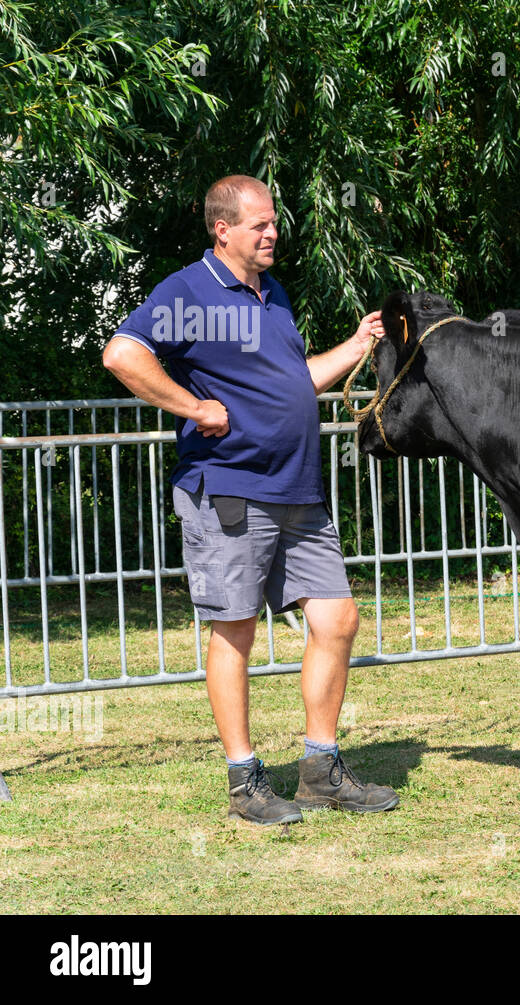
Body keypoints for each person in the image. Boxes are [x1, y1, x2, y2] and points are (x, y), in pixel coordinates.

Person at [103, 174, 398, 825]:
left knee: (337, 619)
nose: (272, 233)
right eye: (259, 224)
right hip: (229, 488)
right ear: (223, 229)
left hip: (298, 489)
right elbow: (122, 353)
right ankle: (245, 781)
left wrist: (354, 346)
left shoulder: (274, 295)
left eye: (274, 222)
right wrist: (191, 405)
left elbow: (294, 380)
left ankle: (320, 770)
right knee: (235, 630)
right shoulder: (190, 290)